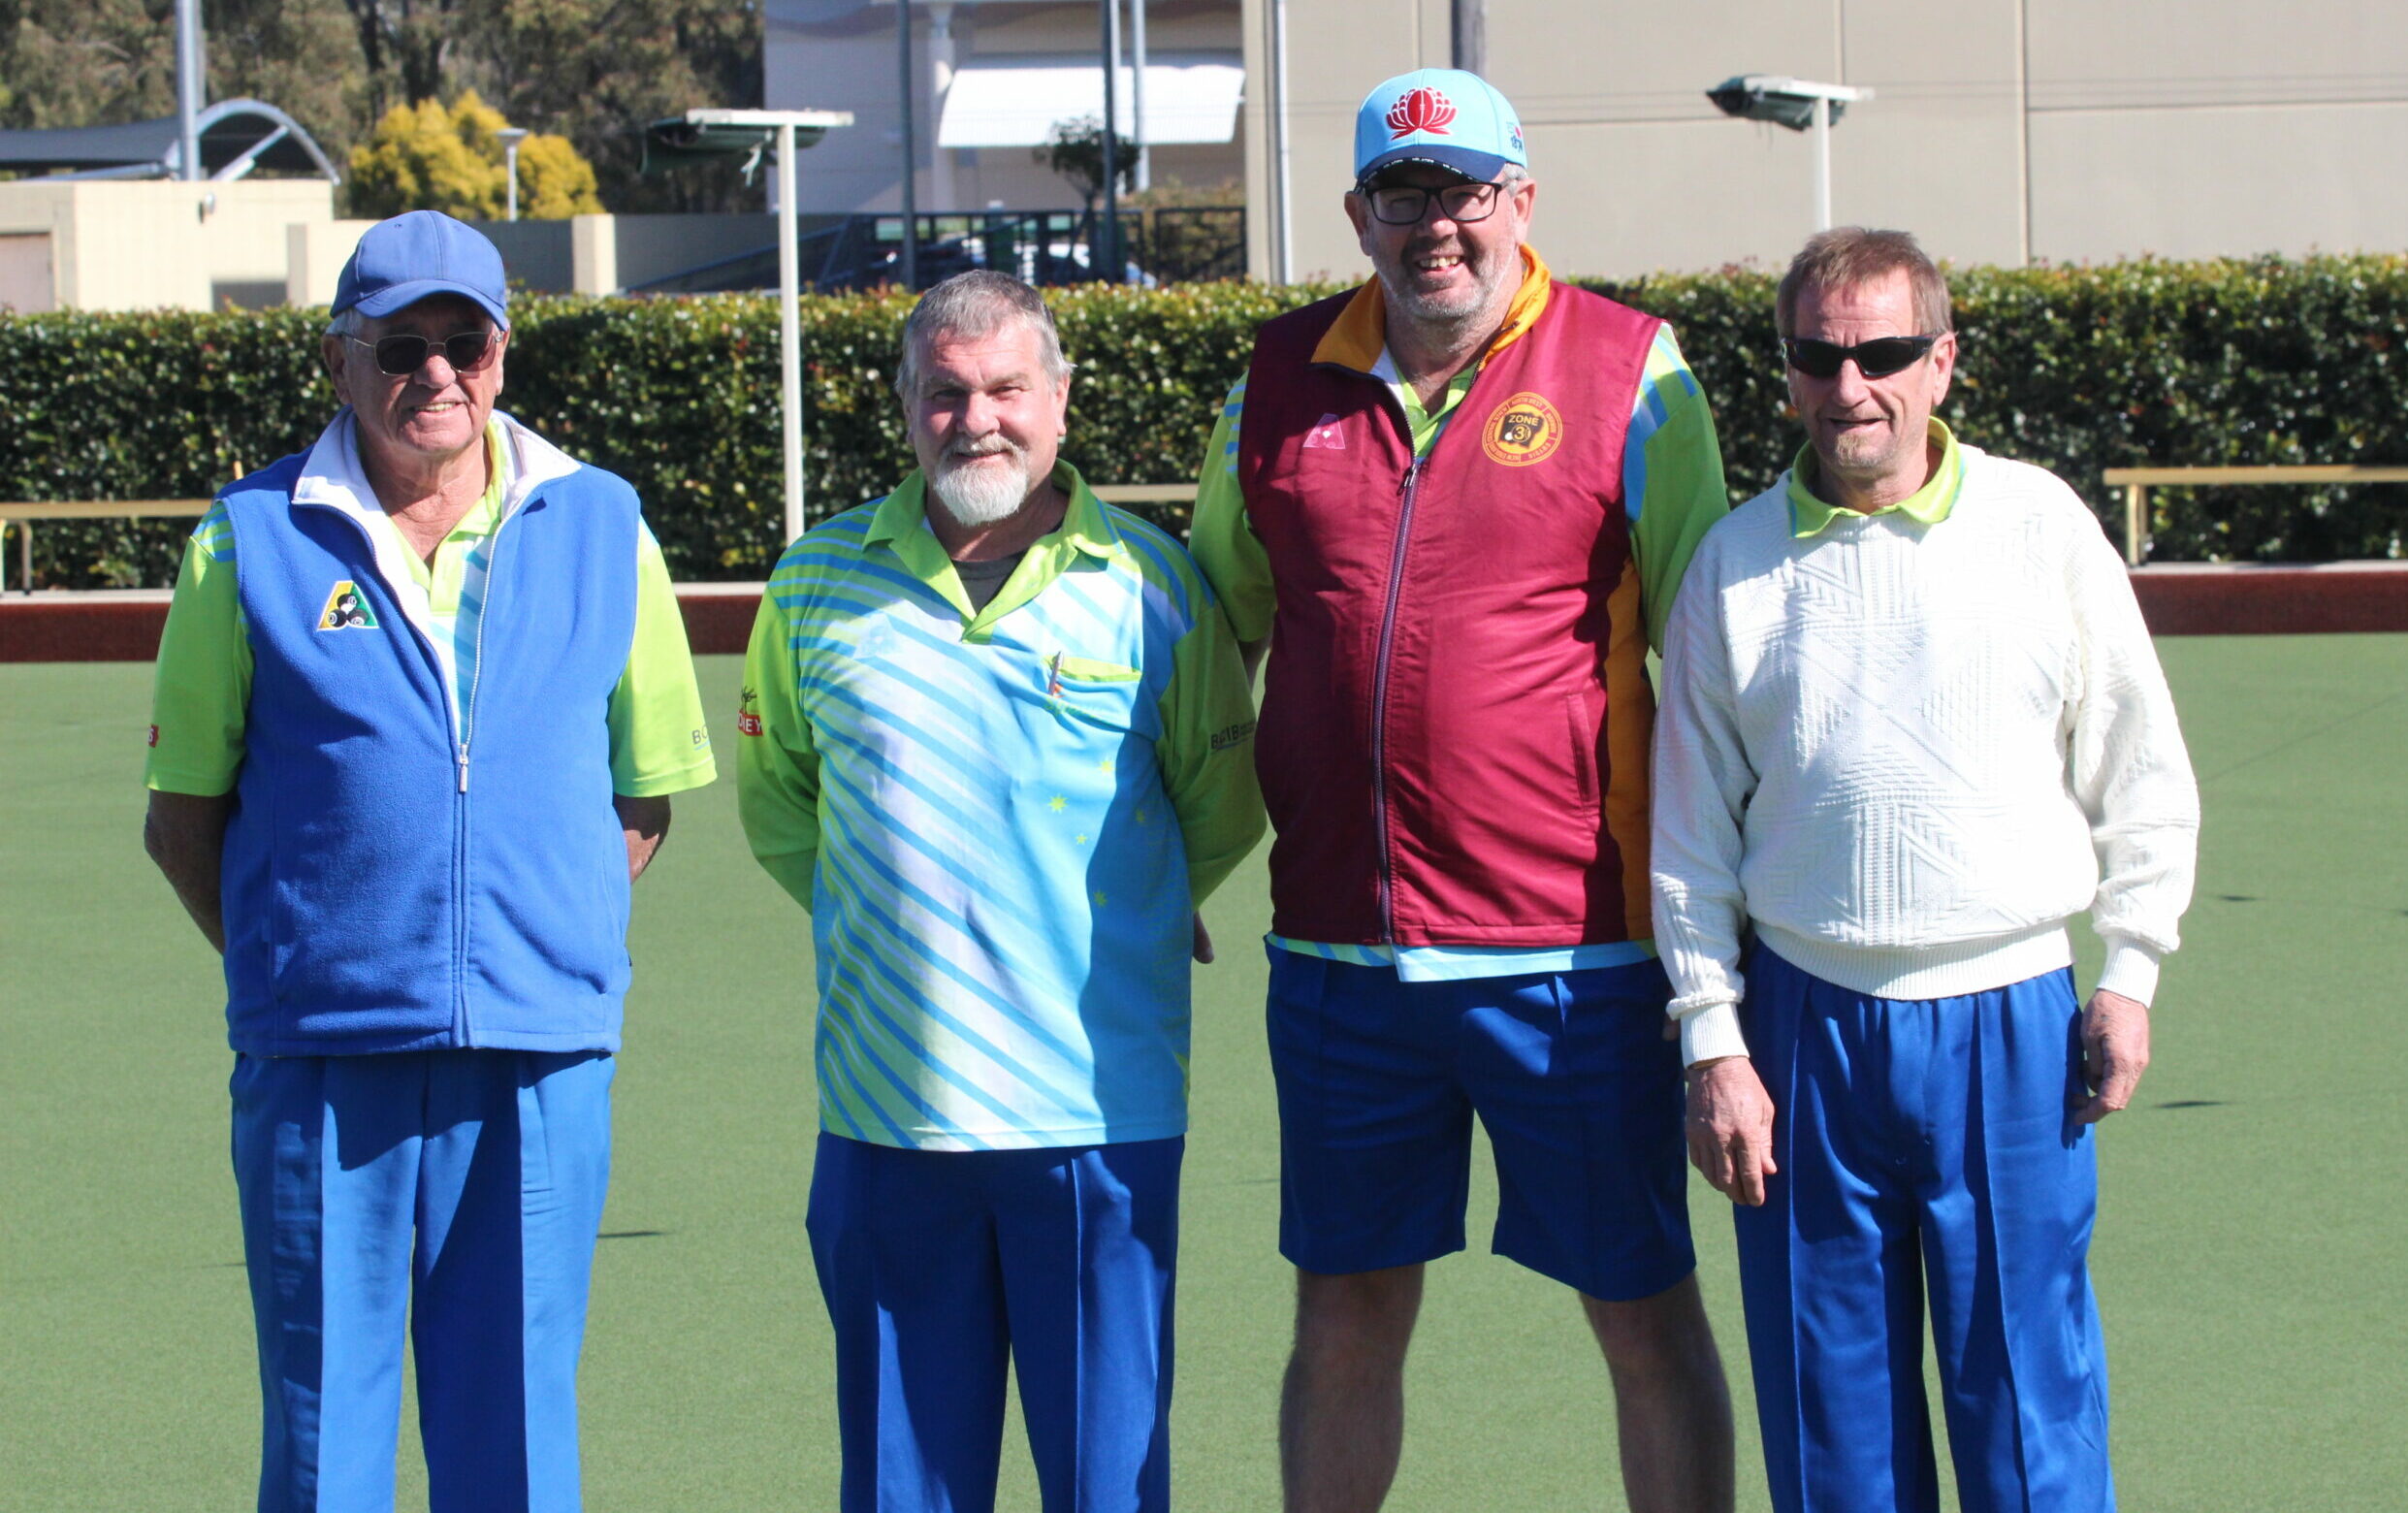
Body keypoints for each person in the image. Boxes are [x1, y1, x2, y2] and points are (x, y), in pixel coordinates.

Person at [1188, 69, 1739, 1513]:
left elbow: (1713, 653)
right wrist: (1171, 860)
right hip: (1335, 954)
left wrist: (1729, 920)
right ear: (1360, 213)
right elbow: (1203, 639)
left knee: (1638, 1313)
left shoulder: (1632, 368)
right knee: (1344, 1317)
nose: (1437, 226)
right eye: (1404, 194)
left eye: (1466, 191)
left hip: (1574, 952)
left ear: (1520, 202)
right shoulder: (1273, 376)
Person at [142, 209, 716, 1513]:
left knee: (514, 1429)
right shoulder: (246, 540)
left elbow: (643, 796)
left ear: (503, 355)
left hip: (537, 1045)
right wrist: (323, 952)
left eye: (467, 341)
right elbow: (183, 818)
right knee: (322, 1437)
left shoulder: (604, 521)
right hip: (324, 1056)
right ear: (342, 360)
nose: (438, 373)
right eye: (404, 344)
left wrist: (522, 926)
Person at [1651, 227, 2201, 1513]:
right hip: (1800, 1035)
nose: (1850, 387)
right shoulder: (1729, 568)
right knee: (1829, 1417)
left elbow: (2141, 769)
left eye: (1884, 353)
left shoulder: (2038, 529)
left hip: (2010, 1024)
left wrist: (2125, 974)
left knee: (2025, 1401)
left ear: (1940, 361)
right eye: (1818, 356)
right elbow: (1687, 842)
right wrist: (1709, 1043)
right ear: (1784, 374)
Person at [736, 271, 1265, 1513]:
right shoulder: (815, 582)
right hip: (886, 1117)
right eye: (944, 394)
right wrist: (910, 920)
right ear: (907, 408)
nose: (976, 419)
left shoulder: (1155, 585)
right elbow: (780, 806)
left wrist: (1117, 904)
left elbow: (1218, 805)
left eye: (1005, 390)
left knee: (1108, 1482)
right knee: (903, 1486)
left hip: (1096, 1119)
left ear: (1060, 402)